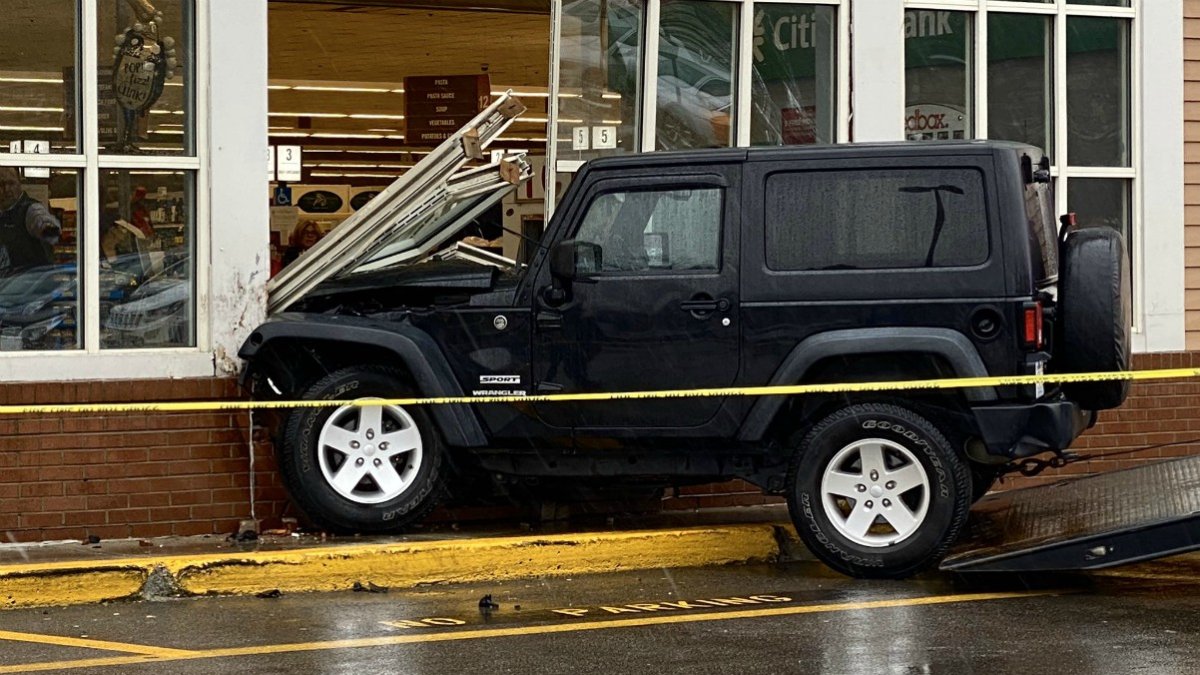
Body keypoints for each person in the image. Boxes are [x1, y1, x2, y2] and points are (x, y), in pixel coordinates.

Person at [0, 167, 60, 273]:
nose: (6, 189)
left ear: (20, 184)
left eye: (11, 183)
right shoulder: (3, 212)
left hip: (32, 280)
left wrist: (48, 229)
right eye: (1, 184)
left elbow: (47, 226)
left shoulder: (31, 209)